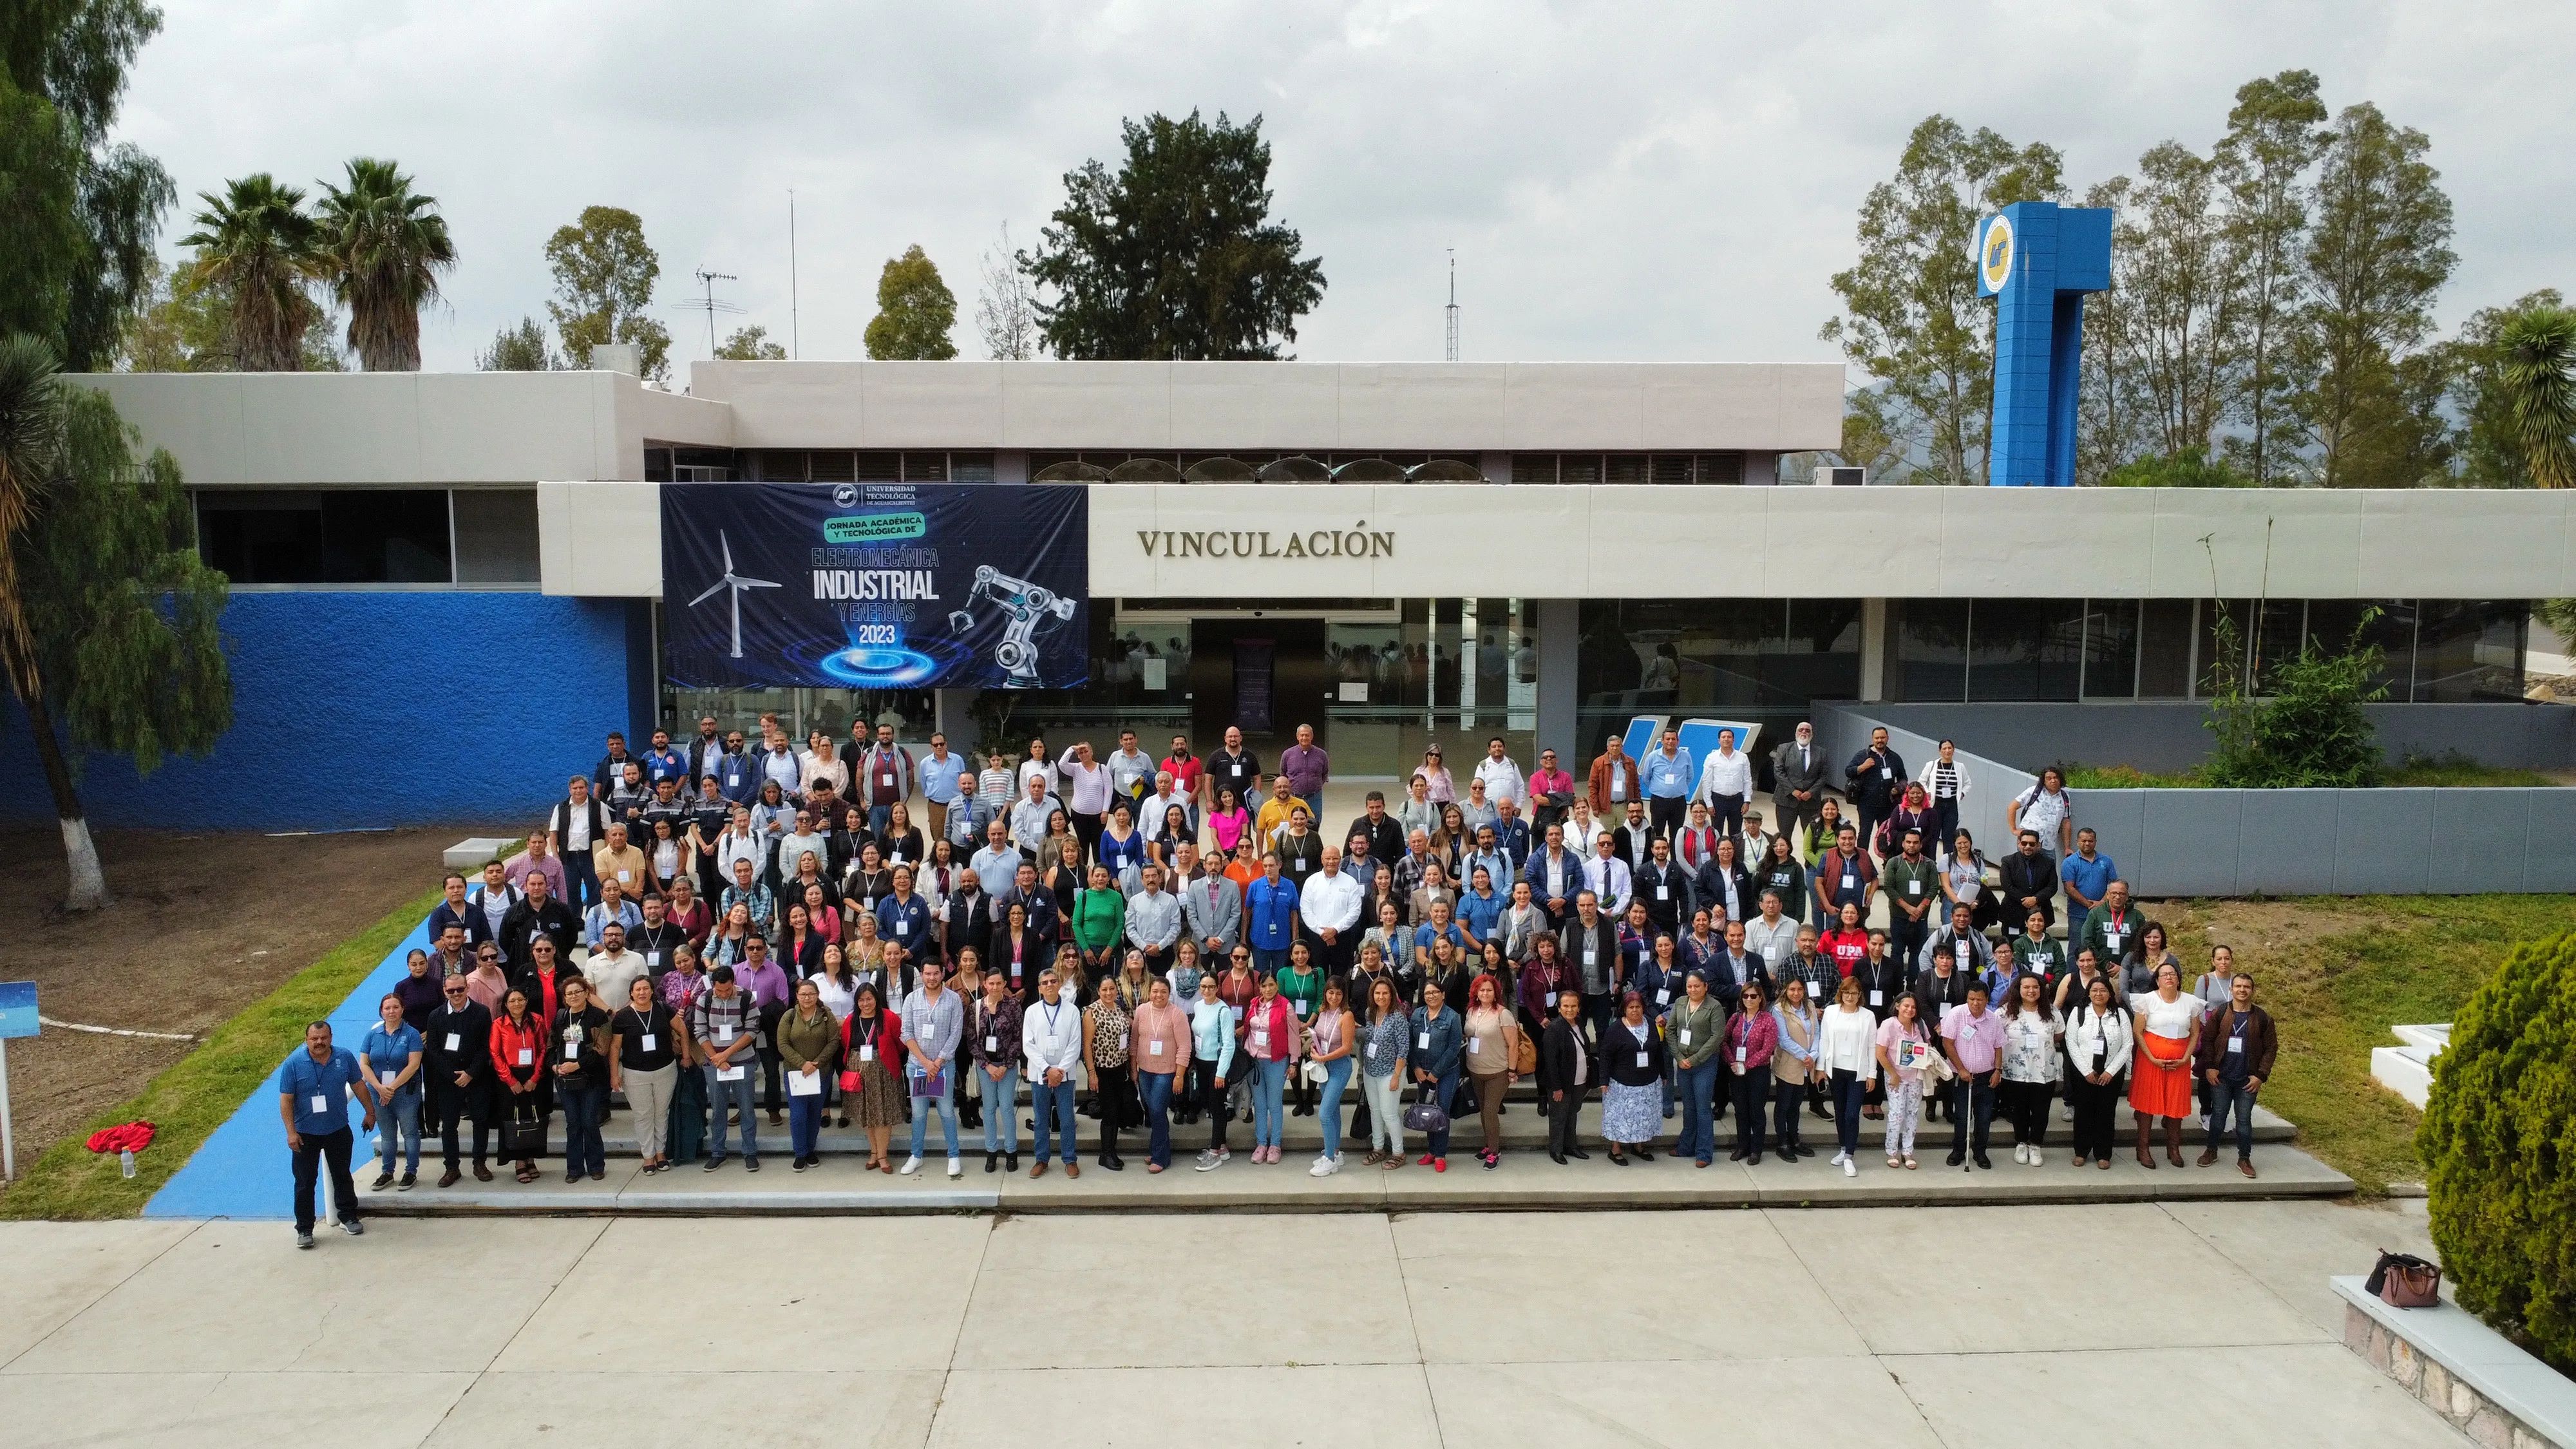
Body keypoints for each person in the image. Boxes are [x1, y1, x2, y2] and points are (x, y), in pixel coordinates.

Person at [279, 1020, 373, 1247]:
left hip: (338, 1129)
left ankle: (349, 1217)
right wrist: (291, 1132)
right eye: (314, 1038)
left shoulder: (344, 1057)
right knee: (305, 1183)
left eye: (324, 1037)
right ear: (306, 1040)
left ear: (331, 1037)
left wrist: (370, 1112)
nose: (319, 1042)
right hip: (305, 1135)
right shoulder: (293, 1064)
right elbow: (286, 1100)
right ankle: (305, 1229)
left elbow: (358, 1085)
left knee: (342, 1176)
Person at [2194, 971, 2275, 1177]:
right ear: (2231, 989)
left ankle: (2244, 1158)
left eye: (2246, 987)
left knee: (2244, 1120)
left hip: (2248, 1080)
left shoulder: (2263, 1018)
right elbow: (2208, 1040)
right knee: (2218, 1115)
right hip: (2221, 1077)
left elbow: (2271, 1048)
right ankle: (2211, 1151)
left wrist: (2261, 1075)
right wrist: (2210, 1067)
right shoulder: (2221, 1012)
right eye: (2238, 986)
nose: (2242, 990)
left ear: (2253, 990)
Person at [897, 957, 966, 1178]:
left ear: (942, 973)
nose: (932, 978)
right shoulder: (911, 999)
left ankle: (953, 1155)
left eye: (936, 973)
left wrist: (937, 1062)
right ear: (922, 975)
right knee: (919, 1114)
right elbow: (906, 1033)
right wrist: (926, 1063)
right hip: (918, 1066)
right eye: (928, 974)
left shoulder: (953, 999)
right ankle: (916, 1155)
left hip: (943, 1067)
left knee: (947, 1112)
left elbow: (956, 1033)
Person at [609, 974, 683, 1174]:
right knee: (643, 1115)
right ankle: (648, 1155)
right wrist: (614, 1075)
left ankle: (660, 1153)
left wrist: (686, 1056)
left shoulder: (663, 1009)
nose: (642, 992)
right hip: (635, 1074)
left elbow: (683, 1030)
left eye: (645, 989)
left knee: (661, 1113)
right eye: (638, 989)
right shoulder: (623, 1016)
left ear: (652, 991)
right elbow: (615, 1047)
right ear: (631, 993)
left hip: (665, 1070)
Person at [424, 972, 494, 1186]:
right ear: (445, 991)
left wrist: (470, 1073)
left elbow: (486, 1047)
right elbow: (433, 1050)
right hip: (448, 1081)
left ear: (467, 988)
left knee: (480, 1122)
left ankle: (479, 1163)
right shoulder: (435, 1016)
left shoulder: (482, 1012)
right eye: (451, 990)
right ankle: (452, 1168)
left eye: (460, 989)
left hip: (477, 1077)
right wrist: (453, 1074)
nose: (456, 994)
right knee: (449, 1125)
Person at [692, 963, 761, 1171]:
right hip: (714, 1064)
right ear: (713, 985)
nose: (723, 994)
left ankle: (750, 1152)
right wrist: (717, 1058)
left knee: (747, 1110)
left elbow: (752, 1030)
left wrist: (726, 1055)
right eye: (719, 990)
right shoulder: (704, 999)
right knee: (718, 1110)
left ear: (734, 983)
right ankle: (718, 1152)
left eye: (727, 990)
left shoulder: (746, 997)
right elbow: (700, 1031)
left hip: (743, 1062)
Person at [1019, 966, 1082, 1179]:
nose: (1049, 986)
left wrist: (1059, 1071)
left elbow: (1075, 1044)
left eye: (1053, 982)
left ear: (1059, 984)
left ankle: (1070, 1159)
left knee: (1067, 1119)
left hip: (1065, 1074)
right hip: (1040, 1074)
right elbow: (1028, 1044)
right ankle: (1041, 1159)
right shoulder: (1032, 1011)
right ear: (1039, 988)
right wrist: (1048, 1069)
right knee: (1041, 1119)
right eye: (1045, 983)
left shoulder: (1072, 1011)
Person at [2063, 975, 2130, 1170]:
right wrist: (2086, 1071)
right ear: (2089, 993)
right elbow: (2070, 1042)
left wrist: (2110, 1071)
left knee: (2106, 1113)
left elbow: (2127, 1044)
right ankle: (2081, 1151)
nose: (2098, 994)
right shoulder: (2079, 1012)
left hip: (2111, 1074)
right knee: (2083, 1113)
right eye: (2094, 991)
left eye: (2103, 990)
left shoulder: (2120, 1014)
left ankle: (2103, 1153)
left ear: (2110, 993)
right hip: (2083, 1073)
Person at [359, 995, 424, 1192]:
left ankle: (410, 1171)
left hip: (405, 1093)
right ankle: (387, 1172)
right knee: (387, 1135)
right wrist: (379, 1087)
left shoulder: (412, 1034)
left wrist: (392, 1088)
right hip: (378, 1093)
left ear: (402, 1009)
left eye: (396, 1007)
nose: (391, 1011)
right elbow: (364, 1064)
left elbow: (414, 1065)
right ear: (381, 1011)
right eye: (387, 1008)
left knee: (409, 1132)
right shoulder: (372, 1035)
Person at [549, 975, 610, 1183]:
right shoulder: (561, 1017)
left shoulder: (598, 1016)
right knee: (573, 1123)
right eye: (569, 993)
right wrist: (554, 1066)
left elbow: (602, 1049)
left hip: (591, 1078)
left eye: (578, 992)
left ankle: (596, 1166)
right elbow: (550, 1046)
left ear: (586, 993)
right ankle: (574, 1168)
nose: (574, 996)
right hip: (565, 1080)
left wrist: (578, 1064)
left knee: (589, 1122)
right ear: (564, 997)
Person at [1997, 972, 2062, 1166]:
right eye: (2026, 987)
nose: (2031, 991)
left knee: (2041, 1112)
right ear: (2018, 989)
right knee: (2020, 1111)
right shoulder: (2005, 1012)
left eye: (2035, 987)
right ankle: (2021, 1143)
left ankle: (2036, 1145)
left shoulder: (2052, 1012)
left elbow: (2059, 1035)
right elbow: (1996, 1037)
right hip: (2015, 1072)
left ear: (2041, 990)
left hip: (2044, 1072)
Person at [1238, 969, 1303, 1164]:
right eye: (1264, 986)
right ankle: (1261, 1144)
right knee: (1259, 1104)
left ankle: (1275, 1144)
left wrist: (1294, 1062)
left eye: (1271, 985)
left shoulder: (1285, 1006)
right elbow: (1248, 1029)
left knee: (1274, 1104)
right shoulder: (1254, 1004)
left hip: (1276, 1061)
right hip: (1255, 1062)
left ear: (1277, 986)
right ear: (1259, 987)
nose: (1268, 989)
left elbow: (1294, 1035)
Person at [770, 978, 833, 1171]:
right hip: (796, 1074)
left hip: (820, 1073)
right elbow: (782, 1044)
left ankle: (810, 1150)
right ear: (797, 996)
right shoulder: (789, 1016)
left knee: (814, 1114)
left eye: (811, 994)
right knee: (798, 1116)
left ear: (817, 995)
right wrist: (802, 1064)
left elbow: (834, 1041)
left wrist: (817, 1063)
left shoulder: (826, 1014)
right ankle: (800, 1153)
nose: (807, 998)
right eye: (803, 994)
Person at [1940, 981, 2004, 1170]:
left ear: (1987, 1000)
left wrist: (1998, 1071)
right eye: (1971, 999)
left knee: (1984, 1118)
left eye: (1979, 1000)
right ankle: (1958, 1150)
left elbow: (1998, 1046)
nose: (1975, 1003)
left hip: (1986, 1076)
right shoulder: (1956, 1014)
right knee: (1961, 1117)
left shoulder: (1993, 1019)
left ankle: (1980, 1152)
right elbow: (1947, 1043)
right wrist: (1961, 1069)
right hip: (1962, 1077)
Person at [1130, 975, 1191, 1173]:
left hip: (1166, 1072)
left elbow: (1185, 1047)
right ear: (1149, 992)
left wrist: (1179, 1076)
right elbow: (1134, 1041)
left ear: (1169, 994)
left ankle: (1161, 1158)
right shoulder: (1142, 1011)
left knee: (1157, 1110)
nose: (1159, 995)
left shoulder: (1177, 1014)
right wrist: (1134, 1068)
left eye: (1163, 992)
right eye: (1155, 991)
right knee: (1152, 1110)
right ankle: (1158, 1149)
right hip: (1145, 1070)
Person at [1593, 989, 1660, 1165]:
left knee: (1642, 1117)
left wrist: (1664, 1074)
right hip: (1621, 1083)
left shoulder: (1651, 1024)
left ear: (1643, 1008)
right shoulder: (1615, 1029)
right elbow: (1605, 1055)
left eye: (1638, 1007)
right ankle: (1616, 1150)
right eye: (1631, 1007)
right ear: (1624, 1009)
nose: (1635, 1010)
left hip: (1647, 1081)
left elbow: (1658, 1051)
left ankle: (1638, 1147)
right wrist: (1603, 1081)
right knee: (1620, 1118)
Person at [967, 966, 1024, 1173]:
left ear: (1004, 984)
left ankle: (1011, 1151)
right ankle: (991, 1152)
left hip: (1007, 1066)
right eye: (991, 983)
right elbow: (972, 1041)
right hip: (986, 1067)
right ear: (985, 985)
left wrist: (1005, 1066)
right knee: (989, 1108)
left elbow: (1018, 1038)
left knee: (1007, 1108)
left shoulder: (1014, 1006)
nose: (995, 987)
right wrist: (988, 1066)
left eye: (999, 983)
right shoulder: (976, 1008)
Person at [490, 987, 549, 1184]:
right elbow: (495, 1054)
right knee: (514, 1119)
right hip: (509, 1076)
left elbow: (543, 1049)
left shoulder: (537, 1020)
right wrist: (510, 1080)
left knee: (533, 1116)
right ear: (506, 1005)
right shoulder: (499, 1024)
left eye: (520, 1000)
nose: (517, 1004)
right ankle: (519, 1162)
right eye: (512, 1001)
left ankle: (531, 1159)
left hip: (533, 1075)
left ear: (526, 1001)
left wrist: (536, 1077)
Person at [1356, 976, 1411, 1168]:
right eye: (1377, 993)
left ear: (1392, 994)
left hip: (1390, 1072)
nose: (1381, 997)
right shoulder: (1370, 1013)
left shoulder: (1398, 1017)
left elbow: (1404, 1048)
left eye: (1385, 993)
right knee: (1375, 1112)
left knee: (1389, 1114)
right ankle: (1378, 1148)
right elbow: (1370, 1036)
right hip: (1371, 1071)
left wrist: (1397, 1076)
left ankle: (1399, 1153)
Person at [1875, 993, 1935, 1170]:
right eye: (1906, 1006)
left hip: (1916, 1076)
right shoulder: (1889, 1025)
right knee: (1896, 1114)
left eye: (1913, 1007)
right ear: (1897, 1006)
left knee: (1913, 1113)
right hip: (1896, 1077)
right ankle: (1892, 1151)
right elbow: (1880, 1053)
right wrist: (1892, 1074)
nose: (1910, 1010)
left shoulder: (1920, 1025)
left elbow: (1928, 1047)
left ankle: (1908, 1151)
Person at [1084, 974, 1135, 1171]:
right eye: (1104, 989)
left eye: (1112, 989)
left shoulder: (1119, 1009)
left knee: (1117, 1111)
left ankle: (1112, 1151)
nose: (1108, 993)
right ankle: (1105, 1154)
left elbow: (1132, 1028)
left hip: (1119, 1069)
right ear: (1098, 991)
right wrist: (1091, 1073)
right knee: (1110, 1113)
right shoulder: (1092, 1012)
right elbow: (1087, 1045)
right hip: (1102, 1071)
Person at [1307, 976, 1357, 1176]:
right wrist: (1313, 1048)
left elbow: (1347, 1048)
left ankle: (1329, 1160)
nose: (1334, 997)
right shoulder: (1323, 1011)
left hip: (1339, 1068)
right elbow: (1319, 1036)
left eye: (1338, 993)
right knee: (1333, 1110)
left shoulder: (1347, 1015)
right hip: (1324, 1067)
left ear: (1344, 995)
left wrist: (1323, 1057)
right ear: (1325, 993)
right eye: (1330, 992)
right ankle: (1335, 1152)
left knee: (1325, 1113)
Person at [1723, 981, 1777, 1162]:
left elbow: (1768, 1049)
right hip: (1736, 1070)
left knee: (1756, 1110)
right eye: (1745, 996)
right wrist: (1732, 1061)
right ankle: (1742, 1146)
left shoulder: (1768, 1019)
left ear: (1761, 998)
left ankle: (1756, 1149)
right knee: (1740, 1110)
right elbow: (1724, 1041)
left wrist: (1747, 1064)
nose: (1749, 999)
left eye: (1754, 996)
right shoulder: (1736, 1017)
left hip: (1758, 1071)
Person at [1768, 978, 1819, 1161]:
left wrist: (1813, 1055)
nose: (1796, 993)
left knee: (1796, 1105)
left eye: (1799, 989)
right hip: (1789, 1063)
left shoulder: (1810, 1006)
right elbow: (1783, 1040)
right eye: (1792, 989)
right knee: (1784, 1105)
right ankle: (1782, 1142)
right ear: (1785, 991)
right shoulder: (1779, 1009)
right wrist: (1805, 1056)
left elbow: (1817, 1032)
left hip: (1807, 1065)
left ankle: (1794, 1139)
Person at [1769, 722, 1827, 856]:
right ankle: (1785, 862)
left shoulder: (1821, 752)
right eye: (1801, 730)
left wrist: (1811, 792)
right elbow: (1778, 772)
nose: (1804, 732)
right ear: (1796, 733)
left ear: (1812, 734)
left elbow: (1824, 776)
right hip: (1786, 801)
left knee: (1812, 836)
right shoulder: (1784, 748)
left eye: (1807, 730)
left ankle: (1810, 864)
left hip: (1811, 802)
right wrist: (1792, 790)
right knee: (1784, 837)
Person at [1915, 739, 1971, 865]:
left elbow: (1968, 783)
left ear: (1953, 750)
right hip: (1936, 805)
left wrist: (1962, 793)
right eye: (1944, 748)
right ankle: (1931, 864)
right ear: (1940, 751)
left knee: (1949, 837)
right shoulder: (1932, 765)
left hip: (1952, 806)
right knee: (1933, 836)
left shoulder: (1960, 767)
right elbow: (1921, 781)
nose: (1947, 751)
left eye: (1950, 748)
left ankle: (1948, 864)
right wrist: (1928, 792)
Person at [1997, 829, 2058, 943]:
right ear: (2019, 843)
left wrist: (2036, 899)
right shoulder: (2008, 861)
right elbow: (2007, 886)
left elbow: (2052, 887)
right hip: (2013, 914)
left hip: (2039, 913)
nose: (2028, 847)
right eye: (2024, 843)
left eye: (2032, 844)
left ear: (2038, 845)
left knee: (2037, 946)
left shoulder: (2048, 863)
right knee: (2012, 946)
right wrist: (2027, 901)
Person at [2060, 827, 2117, 927]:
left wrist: (2102, 903)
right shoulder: (2069, 862)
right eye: (2084, 841)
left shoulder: (2107, 861)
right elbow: (2069, 889)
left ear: (2095, 842)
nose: (2087, 844)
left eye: (2090, 841)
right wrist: (2090, 905)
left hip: (2103, 912)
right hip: (2078, 915)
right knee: (2077, 938)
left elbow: (2113, 885)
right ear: (2078, 842)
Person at [1279, 722, 1330, 826]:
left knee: (1314, 824)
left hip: (1315, 798)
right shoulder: (1288, 754)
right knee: (1294, 825)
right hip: (1294, 797)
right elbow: (1283, 773)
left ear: (1312, 737)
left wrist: (1316, 785)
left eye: (1307, 735)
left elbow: (1325, 773)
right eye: (1302, 735)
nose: (1304, 738)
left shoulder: (1321, 755)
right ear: (1297, 737)